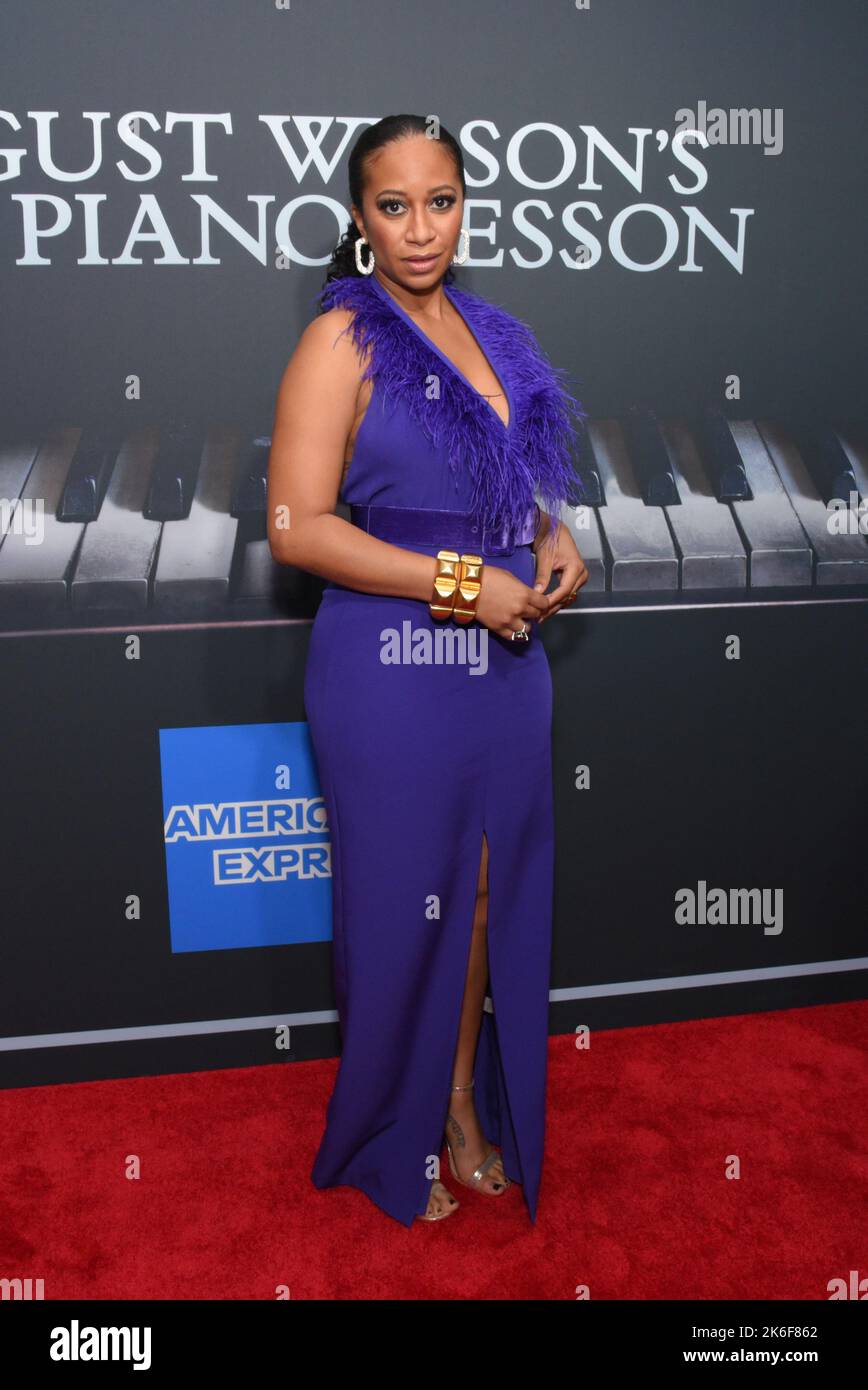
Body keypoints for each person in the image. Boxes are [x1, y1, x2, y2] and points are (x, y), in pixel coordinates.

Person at [268, 114, 588, 1226]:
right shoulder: (338, 341)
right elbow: (298, 529)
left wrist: (548, 533)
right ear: (359, 219)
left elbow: (501, 477)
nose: (420, 229)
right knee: (408, 896)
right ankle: (391, 1127)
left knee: (488, 893)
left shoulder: (491, 332)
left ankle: (455, 1106)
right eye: (393, 206)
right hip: (393, 660)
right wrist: (465, 587)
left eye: (440, 201)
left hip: (507, 658)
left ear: (465, 202)